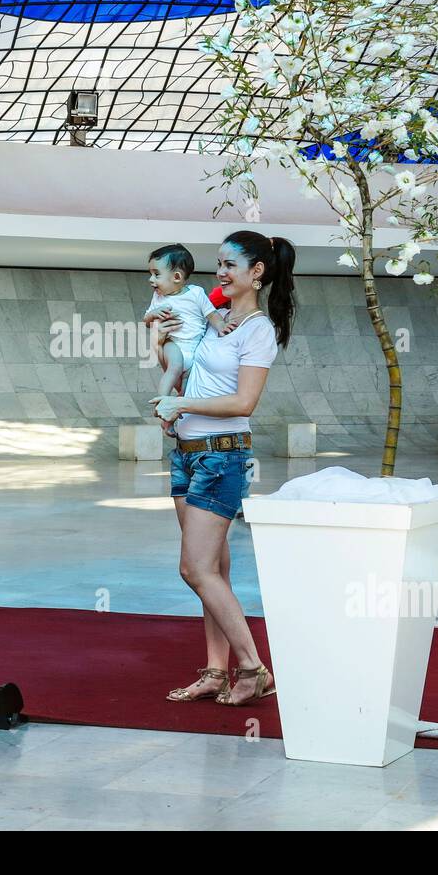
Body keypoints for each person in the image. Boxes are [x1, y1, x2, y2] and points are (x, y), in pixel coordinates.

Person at [149, 230, 296, 707]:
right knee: (212, 571)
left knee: (194, 569)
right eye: (218, 263)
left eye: (231, 265)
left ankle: (253, 669)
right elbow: (183, 364)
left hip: (221, 454)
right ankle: (216, 671)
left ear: (258, 272)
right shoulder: (215, 317)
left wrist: (181, 403)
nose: (220, 272)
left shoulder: (258, 329)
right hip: (187, 454)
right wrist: (161, 341)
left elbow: (244, 401)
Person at [142, 244, 229, 399]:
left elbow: (211, 313)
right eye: (151, 274)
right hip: (173, 344)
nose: (151, 279)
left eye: (156, 274)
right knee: (174, 367)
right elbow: (146, 321)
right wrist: (153, 314)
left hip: (194, 348)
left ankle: (176, 409)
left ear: (176, 277)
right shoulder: (159, 298)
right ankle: (162, 400)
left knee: (189, 384)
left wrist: (222, 326)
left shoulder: (196, 293)